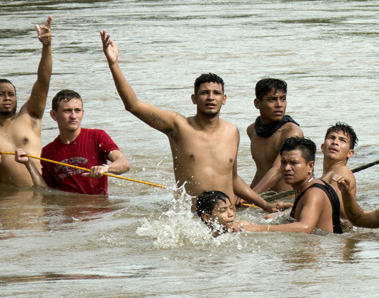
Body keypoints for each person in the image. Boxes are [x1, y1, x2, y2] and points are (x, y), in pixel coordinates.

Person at [99, 30, 278, 212]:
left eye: (216, 93)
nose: (211, 97)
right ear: (194, 98)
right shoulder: (178, 126)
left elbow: (233, 178)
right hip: (192, 218)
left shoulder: (232, 131)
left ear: (224, 99)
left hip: (226, 217)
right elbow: (133, 105)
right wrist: (113, 64)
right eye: (204, 93)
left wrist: (265, 205)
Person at [0, 17, 54, 189]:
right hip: (9, 205)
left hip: (41, 197)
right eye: (1, 94)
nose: (7, 98)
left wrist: (46, 47)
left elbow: (43, 81)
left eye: (11, 94)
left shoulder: (30, 116)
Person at [233, 136, 342, 233]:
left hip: (323, 253)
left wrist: (258, 228)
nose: (287, 168)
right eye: (284, 162)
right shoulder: (308, 187)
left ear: (310, 166)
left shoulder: (314, 193)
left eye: (294, 163)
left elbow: (305, 227)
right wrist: (287, 210)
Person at [36, 89, 130, 194]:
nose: (73, 116)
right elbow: (47, 192)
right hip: (69, 208)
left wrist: (106, 168)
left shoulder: (97, 137)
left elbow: (124, 164)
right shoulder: (47, 152)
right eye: (67, 110)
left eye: (77, 110)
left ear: (83, 113)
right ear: (54, 115)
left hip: (100, 207)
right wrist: (28, 164)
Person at [245, 77, 302, 195]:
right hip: (264, 198)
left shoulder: (292, 132)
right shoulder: (252, 130)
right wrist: (248, 192)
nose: (279, 105)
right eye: (272, 99)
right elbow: (262, 169)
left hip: (287, 200)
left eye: (283, 99)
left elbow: (278, 170)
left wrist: (250, 196)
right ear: (257, 103)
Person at [318, 122, 359, 206]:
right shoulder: (321, 179)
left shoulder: (342, 171)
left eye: (342, 140)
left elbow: (335, 208)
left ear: (350, 153)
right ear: (322, 147)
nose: (335, 142)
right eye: (332, 138)